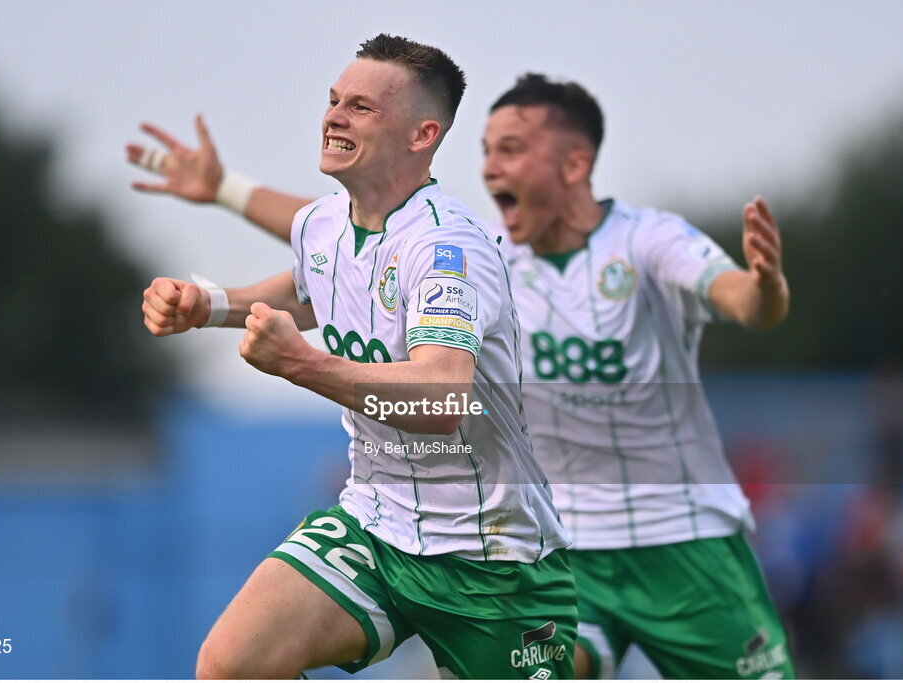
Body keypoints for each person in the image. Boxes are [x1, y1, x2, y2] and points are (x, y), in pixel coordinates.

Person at [129, 72, 795, 678]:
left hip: (649, 545)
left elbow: (738, 297)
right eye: (485, 148)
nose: (489, 166)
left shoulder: (637, 242)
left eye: (510, 149)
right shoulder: (487, 251)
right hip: (479, 530)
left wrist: (763, 287)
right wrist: (222, 203)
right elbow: (334, 245)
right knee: (230, 662)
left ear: (574, 163)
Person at [138, 37, 579, 680]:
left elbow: (442, 397)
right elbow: (310, 285)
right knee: (231, 664)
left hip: (493, 561)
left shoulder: (446, 248)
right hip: (373, 525)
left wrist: (301, 364)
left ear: (421, 134)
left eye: (362, 107)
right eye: (334, 100)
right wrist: (207, 303)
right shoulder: (322, 224)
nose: (335, 116)